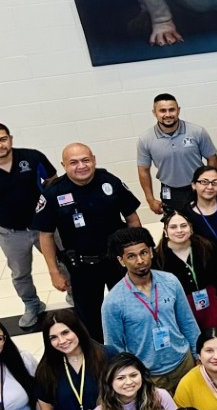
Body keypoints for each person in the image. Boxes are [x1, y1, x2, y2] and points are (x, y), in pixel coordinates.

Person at [35, 143, 141, 333]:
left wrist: (137, 253)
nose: (81, 166)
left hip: (118, 262)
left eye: (85, 160)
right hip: (82, 266)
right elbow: (46, 235)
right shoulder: (54, 193)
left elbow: (132, 219)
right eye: (73, 162)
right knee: (90, 319)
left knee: (131, 309)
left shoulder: (110, 182)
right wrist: (54, 271)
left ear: (94, 160)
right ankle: (100, 356)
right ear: (63, 165)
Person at [0, 121, 57, 326]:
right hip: (10, 233)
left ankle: (73, 295)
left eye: (3, 139)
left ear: (10, 139)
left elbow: (52, 179)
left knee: (62, 263)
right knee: (20, 273)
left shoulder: (33, 157)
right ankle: (32, 305)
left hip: (44, 226)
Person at [100, 226, 200, 387]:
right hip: (148, 376)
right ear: (121, 261)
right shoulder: (113, 301)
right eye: (131, 256)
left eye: (143, 253)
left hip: (184, 363)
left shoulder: (170, 281)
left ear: (151, 252)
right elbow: (114, 347)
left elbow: (188, 322)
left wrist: (198, 355)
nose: (140, 260)